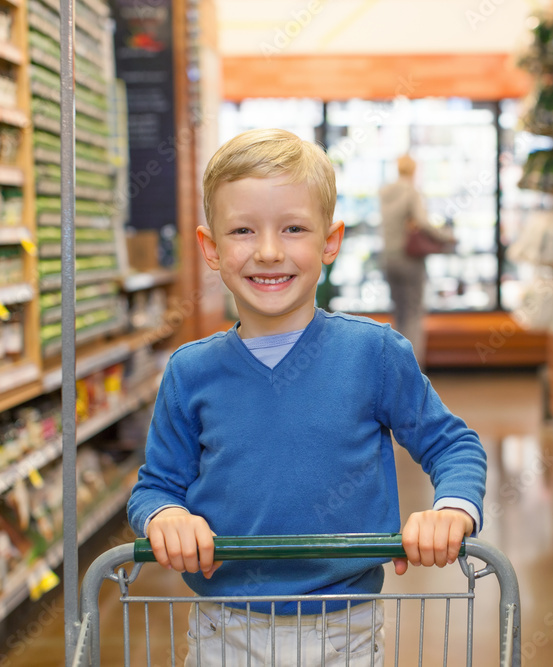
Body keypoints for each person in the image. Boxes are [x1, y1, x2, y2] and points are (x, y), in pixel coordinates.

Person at [127, 129, 487, 667]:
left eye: (294, 228)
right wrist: (166, 518)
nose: (269, 252)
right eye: (243, 230)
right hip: (223, 630)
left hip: (346, 629)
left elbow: (453, 445)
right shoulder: (190, 372)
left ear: (330, 241)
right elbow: (154, 486)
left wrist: (450, 511)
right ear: (211, 249)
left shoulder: (374, 354)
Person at [379, 154, 454, 367]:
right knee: (413, 313)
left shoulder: (385, 192)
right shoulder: (411, 191)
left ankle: (396, 363)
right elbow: (422, 222)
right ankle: (412, 367)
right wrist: (445, 236)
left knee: (399, 312)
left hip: (388, 258)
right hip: (409, 259)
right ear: (414, 170)